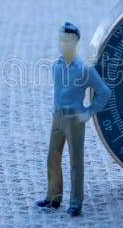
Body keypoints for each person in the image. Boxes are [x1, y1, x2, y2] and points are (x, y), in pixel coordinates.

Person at [36, 22, 112, 217]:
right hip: (57, 117)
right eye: (60, 40)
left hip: (75, 119)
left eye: (66, 40)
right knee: (53, 158)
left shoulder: (85, 69)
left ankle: (76, 203)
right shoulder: (56, 66)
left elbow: (104, 92)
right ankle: (53, 197)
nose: (62, 44)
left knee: (76, 162)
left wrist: (89, 112)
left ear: (75, 42)